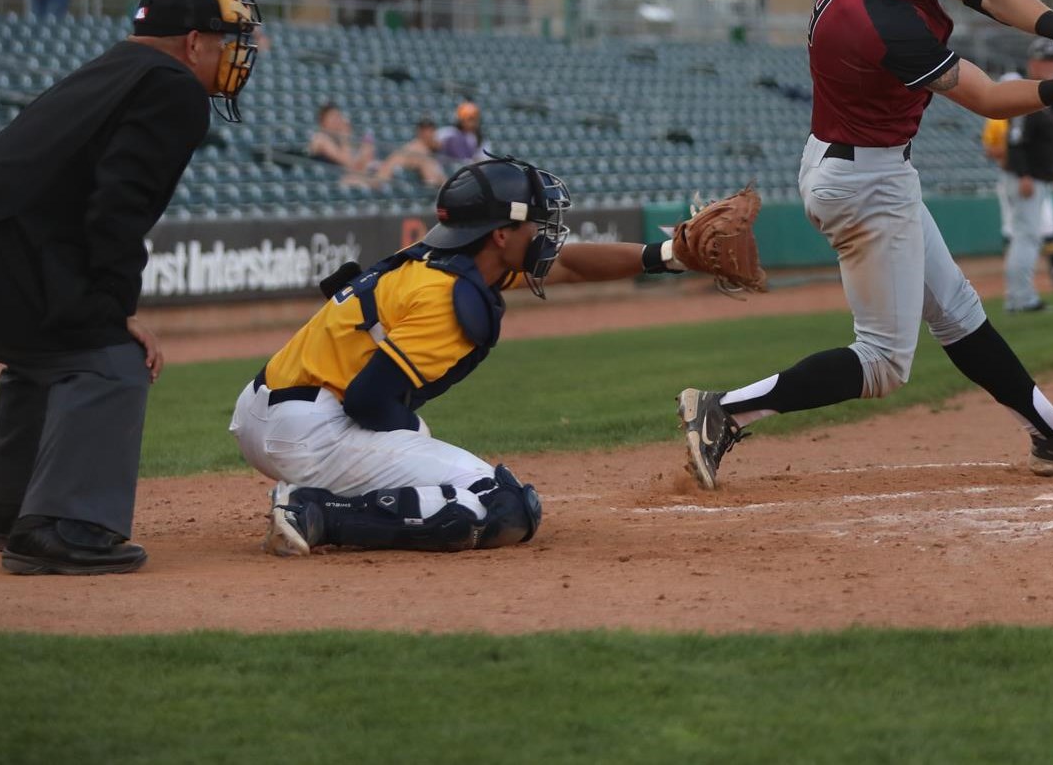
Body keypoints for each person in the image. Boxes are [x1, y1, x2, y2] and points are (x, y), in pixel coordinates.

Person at [674, 0, 1053, 491]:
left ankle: (1052, 435)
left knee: (957, 314)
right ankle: (722, 412)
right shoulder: (881, 22)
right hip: (865, 182)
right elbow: (990, 100)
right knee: (883, 363)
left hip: (861, 164)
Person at [0, 0, 261, 575]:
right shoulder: (172, 87)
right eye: (223, 39)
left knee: (49, 356)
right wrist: (113, 315)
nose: (232, 52)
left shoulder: (117, 69)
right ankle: (60, 526)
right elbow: (118, 208)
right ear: (191, 43)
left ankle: (8, 512)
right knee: (109, 359)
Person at [235, 158, 703, 555]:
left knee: (424, 455)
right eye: (534, 223)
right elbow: (368, 401)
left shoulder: (438, 259)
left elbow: (571, 265)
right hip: (310, 434)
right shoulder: (448, 295)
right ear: (501, 235)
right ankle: (314, 511)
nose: (544, 234)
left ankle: (323, 497)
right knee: (504, 505)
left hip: (269, 411)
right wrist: (414, 442)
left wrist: (667, 255)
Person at [1001, 40, 1053, 313]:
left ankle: (1019, 297)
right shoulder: (1026, 93)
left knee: (1028, 236)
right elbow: (1015, 138)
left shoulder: (1047, 96)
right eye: (1044, 60)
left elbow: (1046, 141)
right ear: (1032, 63)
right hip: (1025, 179)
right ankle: (1021, 299)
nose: (1050, 65)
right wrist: (1024, 175)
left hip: (1039, 177)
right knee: (1026, 237)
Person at [984, 74, 1053, 291]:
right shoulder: (997, 117)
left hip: (1036, 176)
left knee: (1047, 225)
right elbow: (991, 149)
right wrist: (1014, 158)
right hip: (1015, 177)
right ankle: (1018, 288)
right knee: (1017, 230)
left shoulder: (1027, 110)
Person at [307, 103, 377, 183]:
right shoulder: (320, 138)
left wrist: (365, 149)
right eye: (332, 118)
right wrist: (345, 137)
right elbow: (347, 163)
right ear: (323, 123)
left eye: (338, 117)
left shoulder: (340, 141)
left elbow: (360, 164)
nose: (337, 121)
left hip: (349, 178)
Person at [375, 118, 445, 186]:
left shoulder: (429, 149)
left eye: (431, 130)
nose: (428, 134)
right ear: (419, 132)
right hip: (386, 176)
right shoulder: (417, 148)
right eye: (424, 130)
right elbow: (431, 180)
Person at [436, 101, 488, 166]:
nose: (472, 122)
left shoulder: (480, 139)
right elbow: (433, 144)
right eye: (469, 118)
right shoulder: (448, 132)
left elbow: (483, 160)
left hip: (467, 171)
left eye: (474, 118)